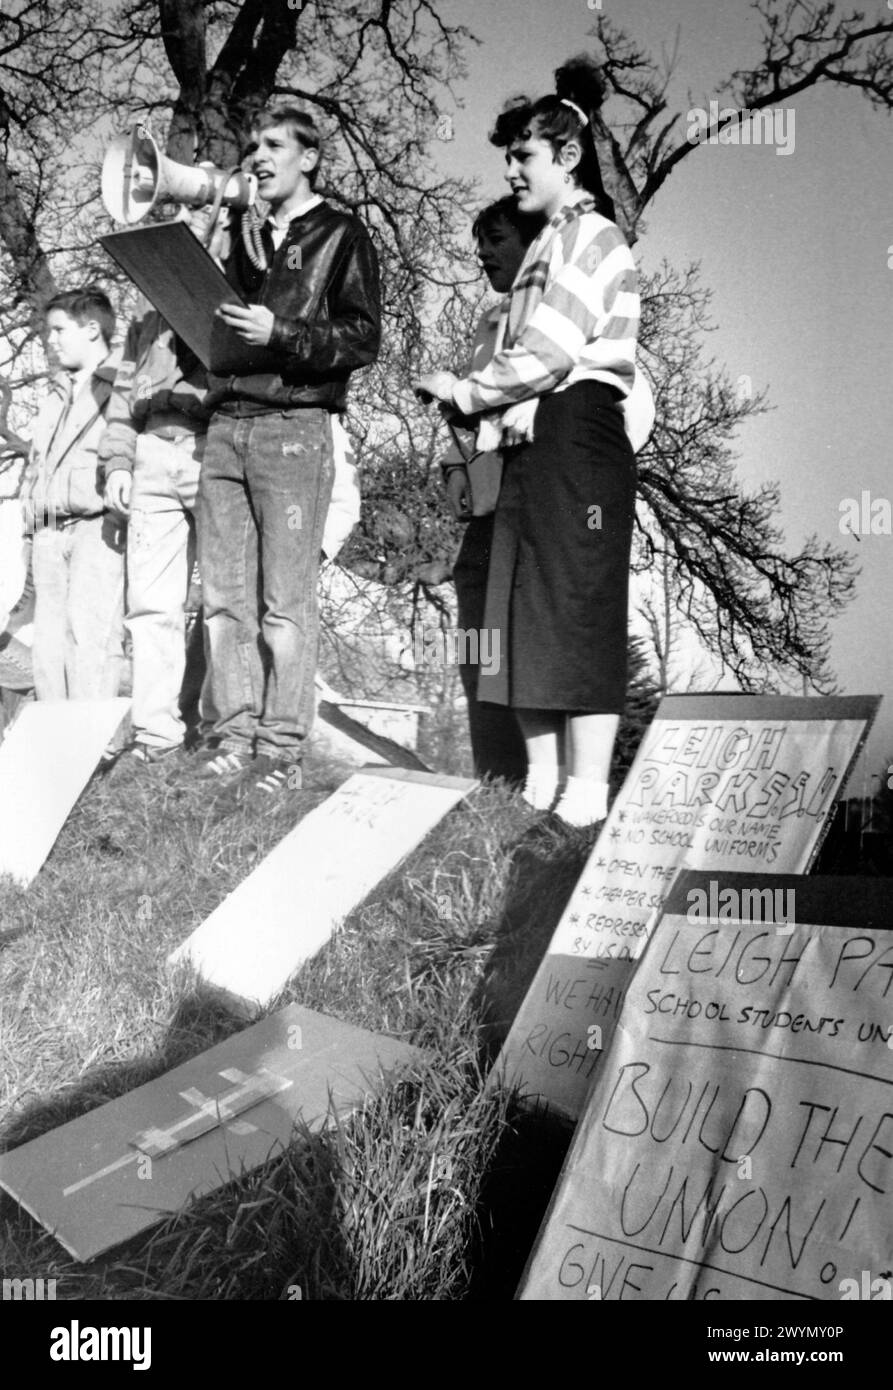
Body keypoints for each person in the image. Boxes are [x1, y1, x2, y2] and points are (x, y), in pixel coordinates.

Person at [416, 58, 641, 828]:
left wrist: (466, 391)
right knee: (522, 613)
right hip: (538, 439)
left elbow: (547, 352)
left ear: (567, 158)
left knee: (575, 607)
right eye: (507, 157)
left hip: (579, 433)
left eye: (524, 157)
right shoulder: (548, 243)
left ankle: (584, 799)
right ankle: (538, 791)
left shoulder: (588, 233)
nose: (511, 171)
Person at [197, 104, 381, 790]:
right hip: (225, 427)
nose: (258, 156)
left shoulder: (341, 233)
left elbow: (363, 337)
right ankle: (231, 736)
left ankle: (280, 749)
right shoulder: (239, 237)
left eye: (273, 144)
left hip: (292, 429)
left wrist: (283, 334)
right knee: (223, 598)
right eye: (251, 147)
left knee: (284, 601)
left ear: (309, 156)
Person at [439, 196, 539, 783]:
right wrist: (455, 467)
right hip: (484, 512)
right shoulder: (490, 321)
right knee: (476, 644)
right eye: (480, 242)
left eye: (497, 239)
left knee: (522, 644)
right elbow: (474, 409)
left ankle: (536, 781)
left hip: (529, 506)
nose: (483, 253)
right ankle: (494, 779)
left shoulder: (556, 318)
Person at [98, 300, 210, 762]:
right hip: (151, 448)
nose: (192, 220)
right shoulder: (144, 320)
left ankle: (223, 736)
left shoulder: (237, 284)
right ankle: (155, 736)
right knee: (150, 606)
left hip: (213, 443)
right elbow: (123, 399)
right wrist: (118, 463)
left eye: (205, 218)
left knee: (227, 602)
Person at [22, 286, 126, 701]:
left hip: (96, 526)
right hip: (50, 529)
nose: (50, 340)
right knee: (47, 643)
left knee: (92, 635)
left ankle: (91, 745)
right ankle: (54, 742)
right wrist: (37, 533)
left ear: (92, 329)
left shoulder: (122, 384)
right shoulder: (55, 392)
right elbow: (40, 469)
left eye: (58, 330)